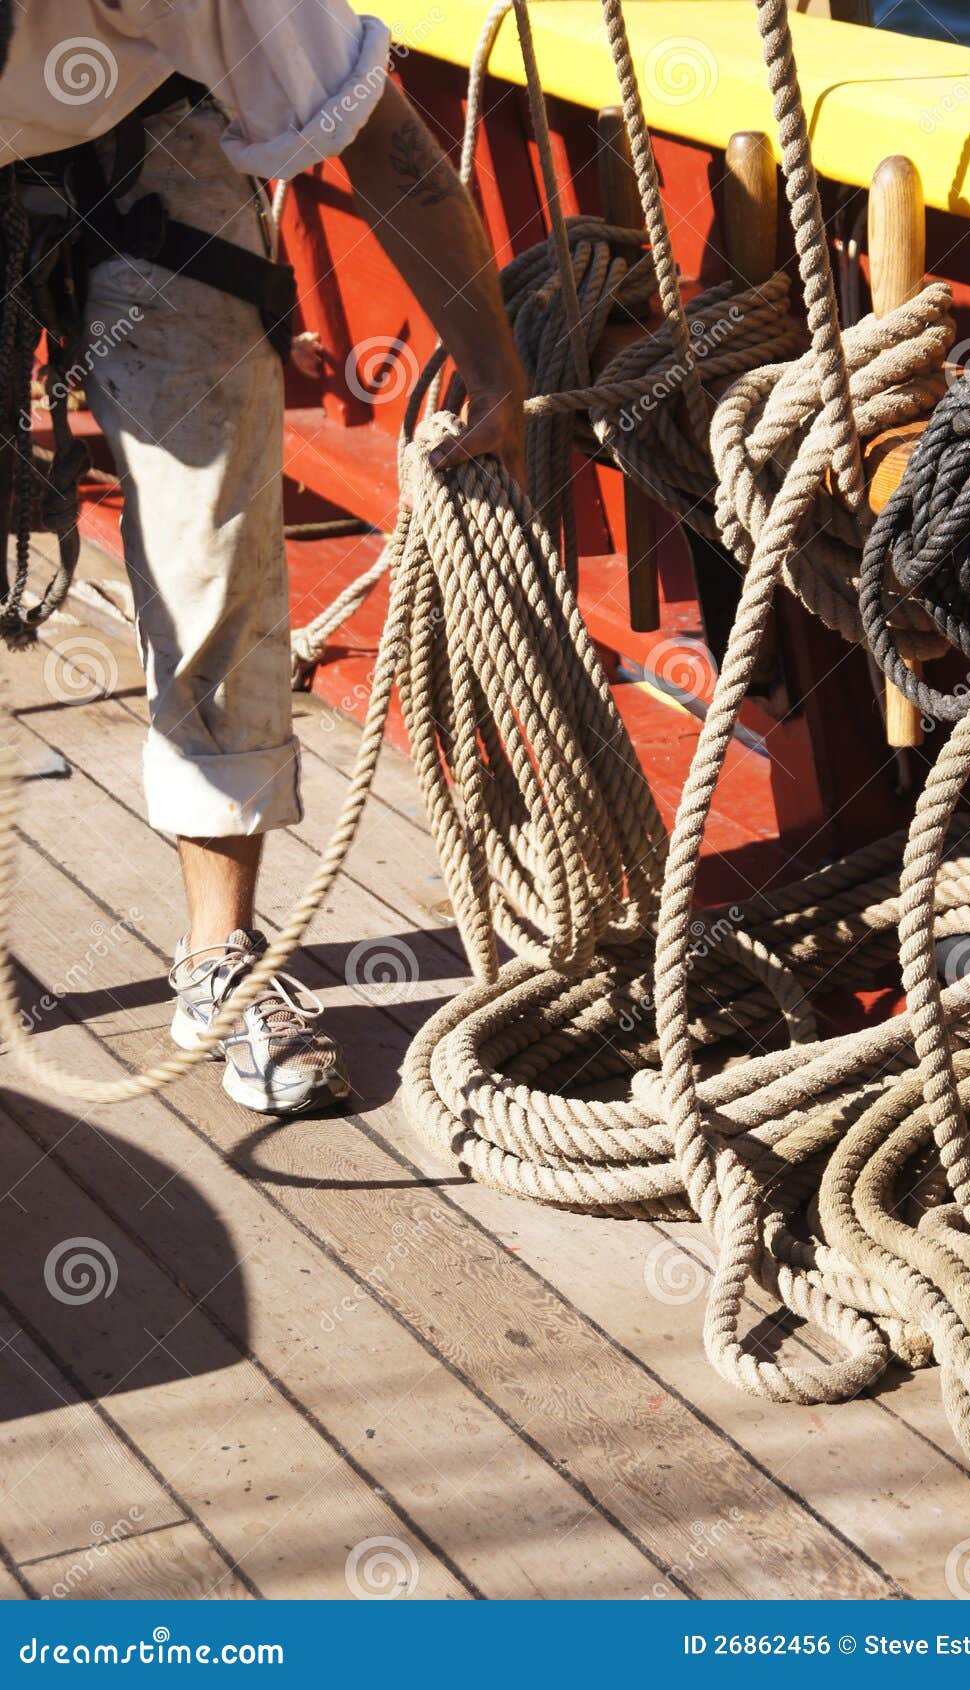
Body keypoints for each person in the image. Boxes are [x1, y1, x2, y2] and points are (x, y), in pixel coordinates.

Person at [0, 2, 526, 1114]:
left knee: (212, 545)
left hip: (145, 142)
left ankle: (220, 953)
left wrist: (490, 365)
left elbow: (372, 127)